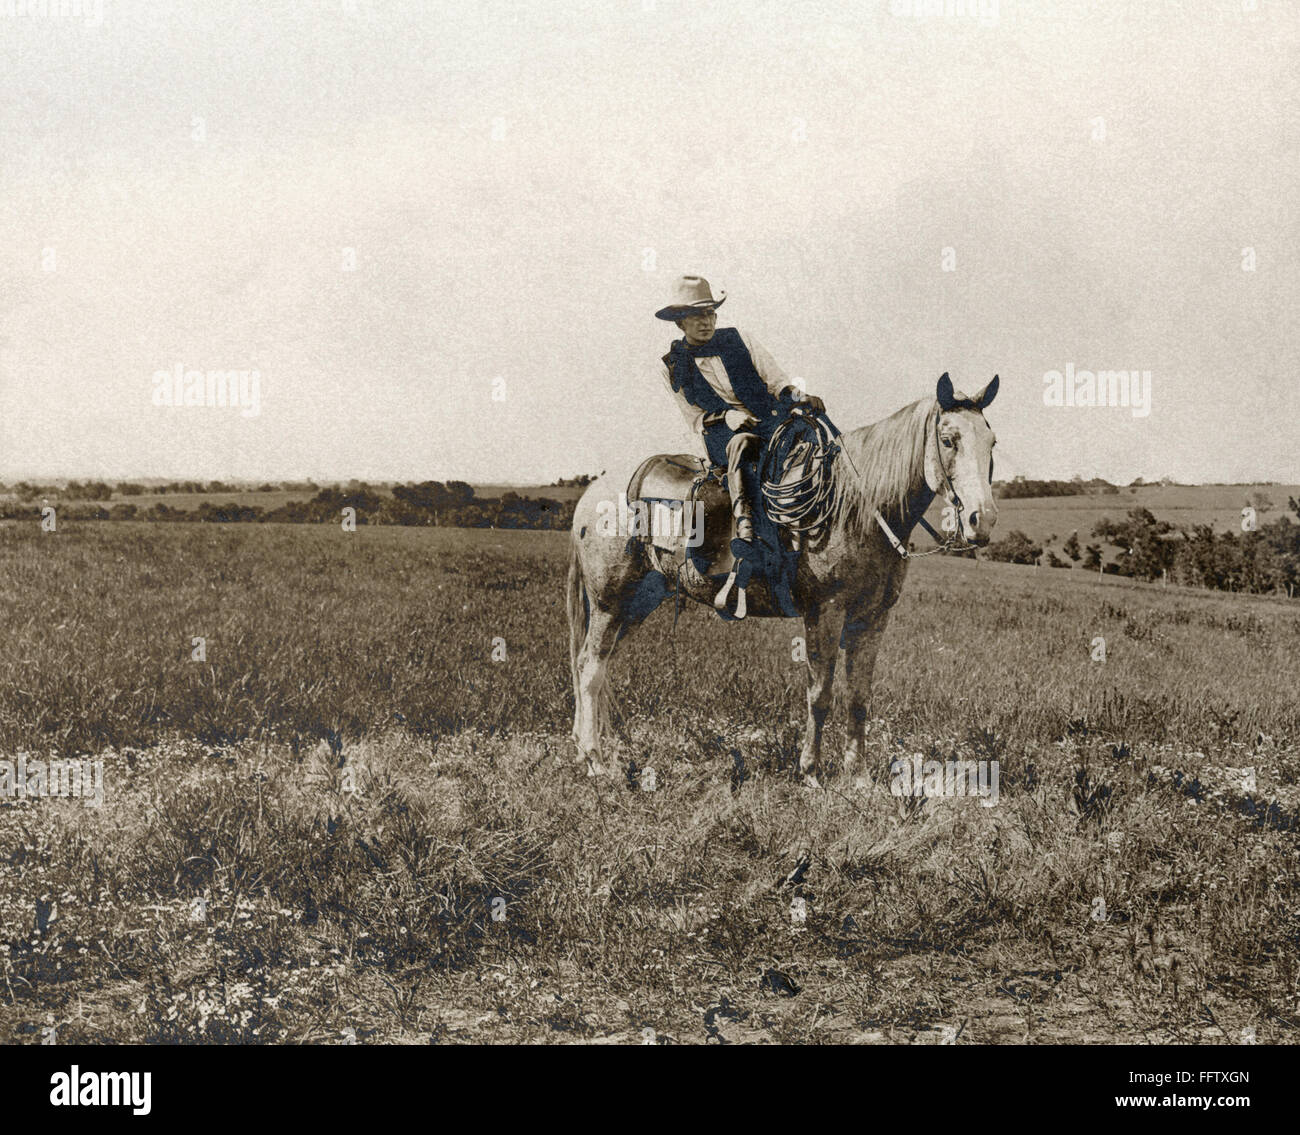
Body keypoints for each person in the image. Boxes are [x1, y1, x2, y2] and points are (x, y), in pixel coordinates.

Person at [656, 276, 824, 542]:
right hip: (723, 436)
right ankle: (745, 522)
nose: (706, 322)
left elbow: (776, 381)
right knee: (743, 443)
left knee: (817, 431)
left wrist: (799, 397)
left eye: (710, 313)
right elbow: (695, 419)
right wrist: (727, 416)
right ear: (680, 322)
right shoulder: (673, 366)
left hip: (769, 421)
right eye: (696, 315)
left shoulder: (740, 339)